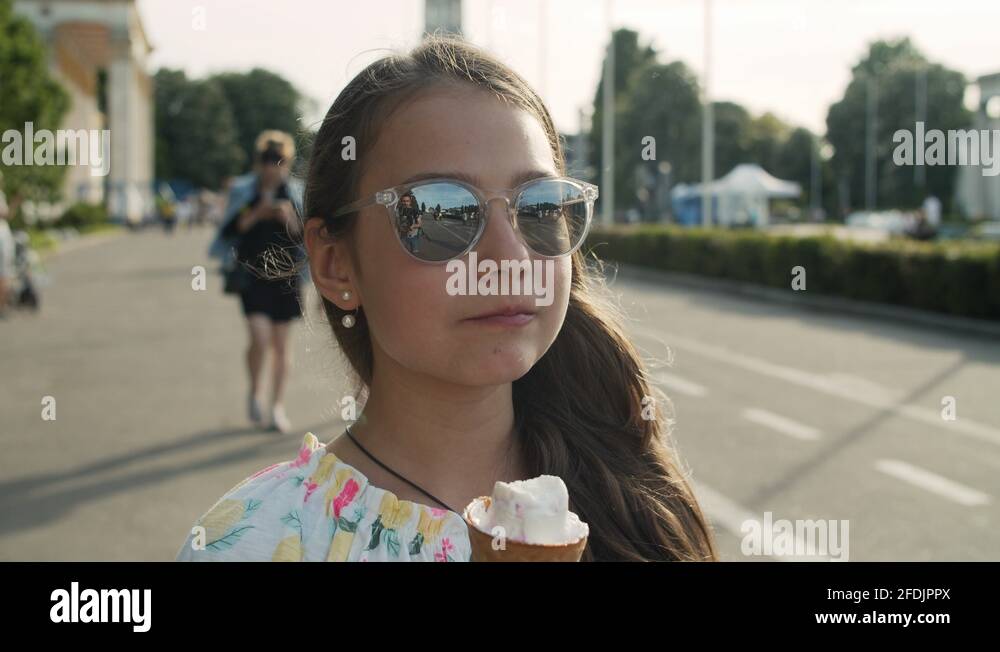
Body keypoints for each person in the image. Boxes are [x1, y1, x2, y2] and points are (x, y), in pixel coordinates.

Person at [175, 35, 718, 562]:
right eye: (440, 212)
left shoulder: (639, 506)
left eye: (540, 207)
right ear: (336, 262)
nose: (509, 258)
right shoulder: (256, 540)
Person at [218, 130, 305, 434]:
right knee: (259, 338)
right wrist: (258, 211)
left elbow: (306, 236)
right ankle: (255, 389)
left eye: (279, 160)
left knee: (281, 345)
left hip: (286, 275)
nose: (272, 166)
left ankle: (276, 406)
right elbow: (231, 228)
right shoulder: (246, 191)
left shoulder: (295, 193)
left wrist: (287, 218)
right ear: (258, 162)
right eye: (267, 159)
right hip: (252, 275)